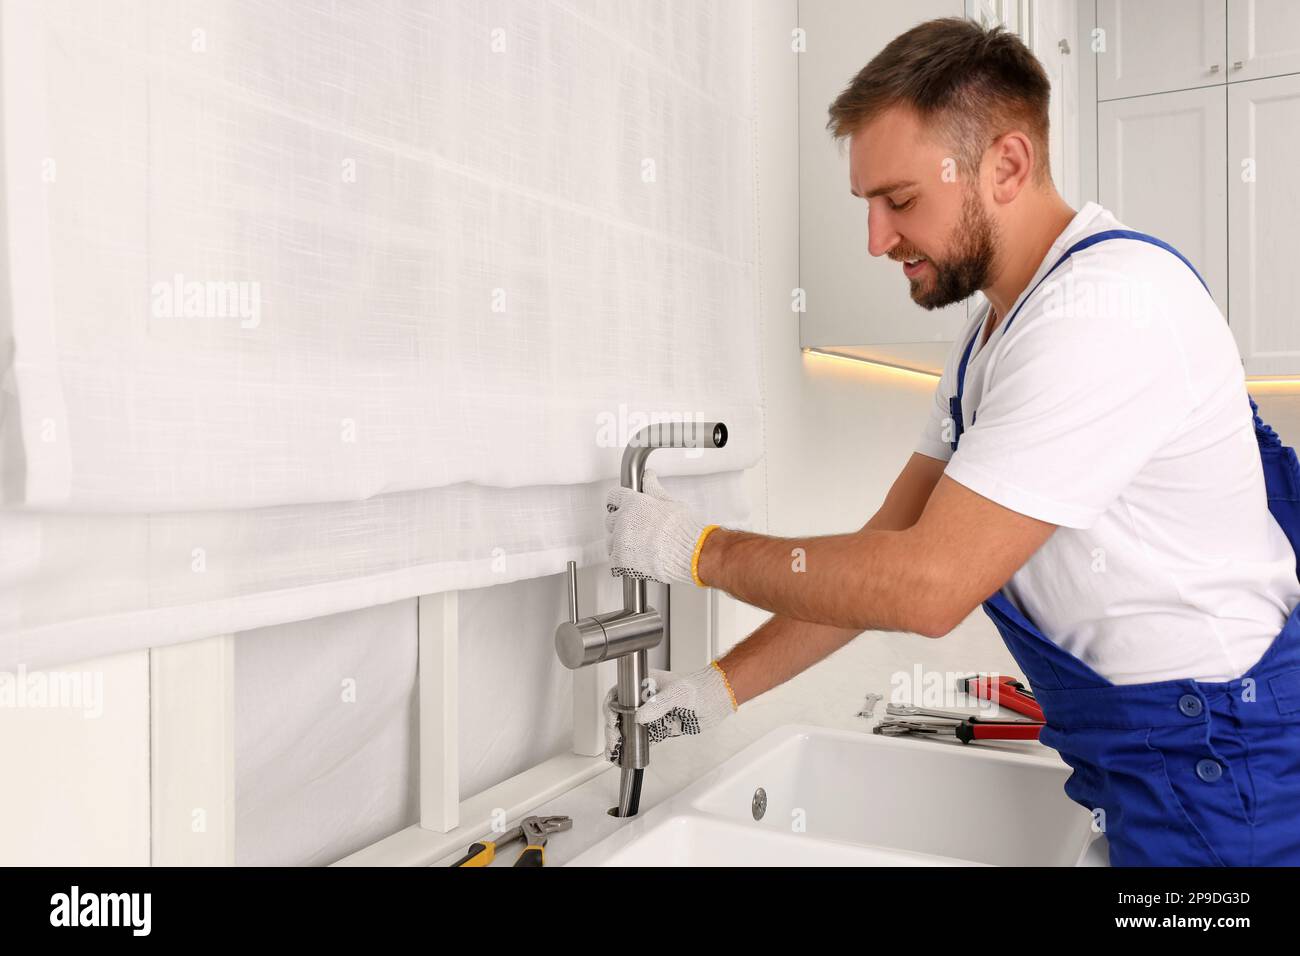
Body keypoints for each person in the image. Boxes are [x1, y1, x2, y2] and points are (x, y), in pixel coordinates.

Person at [602, 17, 1300, 867]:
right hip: (1150, 760)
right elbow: (886, 555)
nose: (876, 239)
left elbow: (928, 589)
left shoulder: (1108, 310)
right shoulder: (991, 338)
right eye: (867, 205)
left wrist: (697, 550)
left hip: (1221, 771)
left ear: (1005, 165)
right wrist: (721, 688)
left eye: (899, 200)